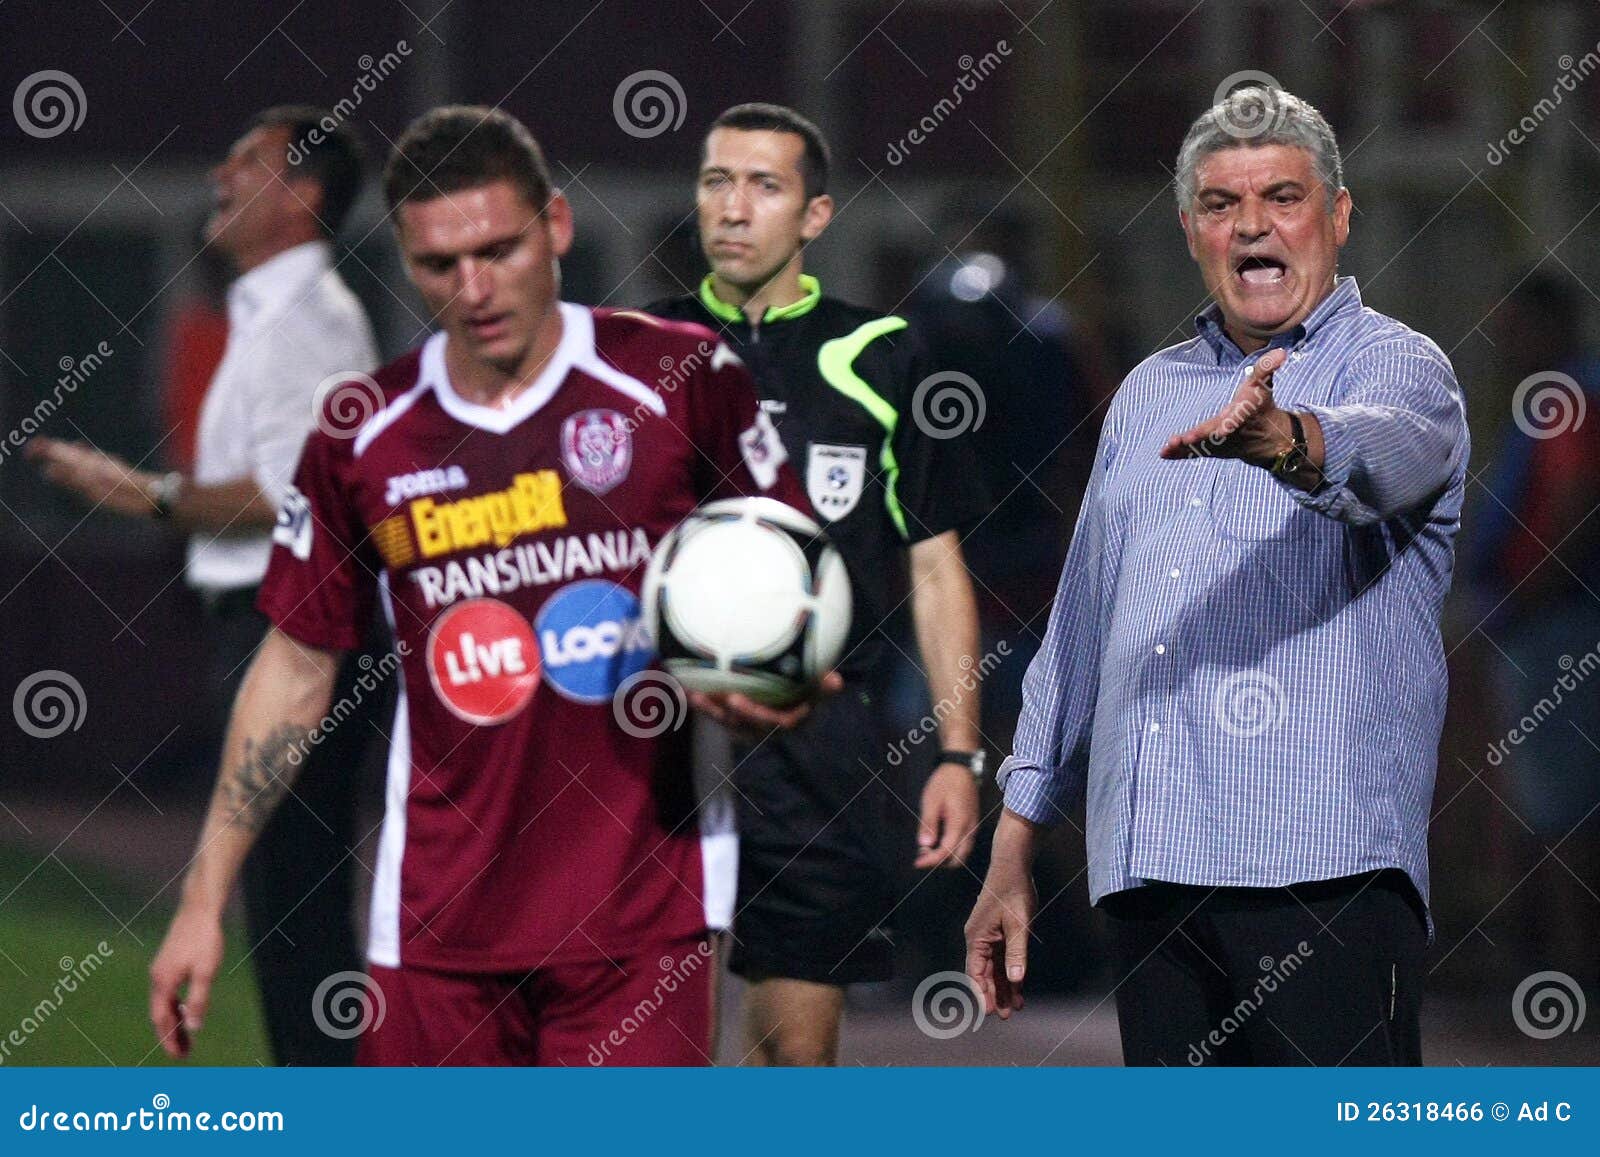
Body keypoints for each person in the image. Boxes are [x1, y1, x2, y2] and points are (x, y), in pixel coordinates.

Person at [147, 105, 819, 1067]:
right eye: (437, 266)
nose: (473, 289)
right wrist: (204, 899)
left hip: (639, 923)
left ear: (555, 225)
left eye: (498, 250)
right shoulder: (362, 433)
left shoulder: (677, 378)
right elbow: (294, 670)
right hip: (435, 937)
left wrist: (778, 680)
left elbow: (787, 565)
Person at [964, 85, 1469, 1066]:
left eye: (1282, 196)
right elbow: (1077, 638)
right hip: (1149, 874)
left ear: (1338, 214)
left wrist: (1279, 437)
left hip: (1320, 878)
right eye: (1220, 203)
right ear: (1191, 228)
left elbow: (1377, 456)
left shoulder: (1400, 369)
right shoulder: (1145, 393)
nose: (1251, 226)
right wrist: (1013, 844)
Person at [31, 106, 379, 1066]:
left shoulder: (307, 319)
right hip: (268, 622)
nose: (220, 174)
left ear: (303, 195)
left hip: (292, 632)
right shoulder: (269, 311)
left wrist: (141, 495)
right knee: (288, 912)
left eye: (247, 159)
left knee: (298, 914)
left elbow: (288, 493)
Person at [648, 103, 987, 1066]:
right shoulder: (628, 348)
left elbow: (932, 563)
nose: (735, 207)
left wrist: (958, 753)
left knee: (794, 1065)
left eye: (765, 185)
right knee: (640, 1053)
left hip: (821, 739)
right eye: (717, 182)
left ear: (815, 215)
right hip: (650, 732)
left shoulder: (881, 352)